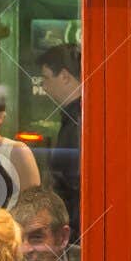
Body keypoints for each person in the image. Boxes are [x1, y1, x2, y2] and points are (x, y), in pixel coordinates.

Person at [37, 43, 83, 238]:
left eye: (46, 78)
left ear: (64, 76)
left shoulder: (78, 122)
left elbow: (75, 186)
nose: (44, 87)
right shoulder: (76, 118)